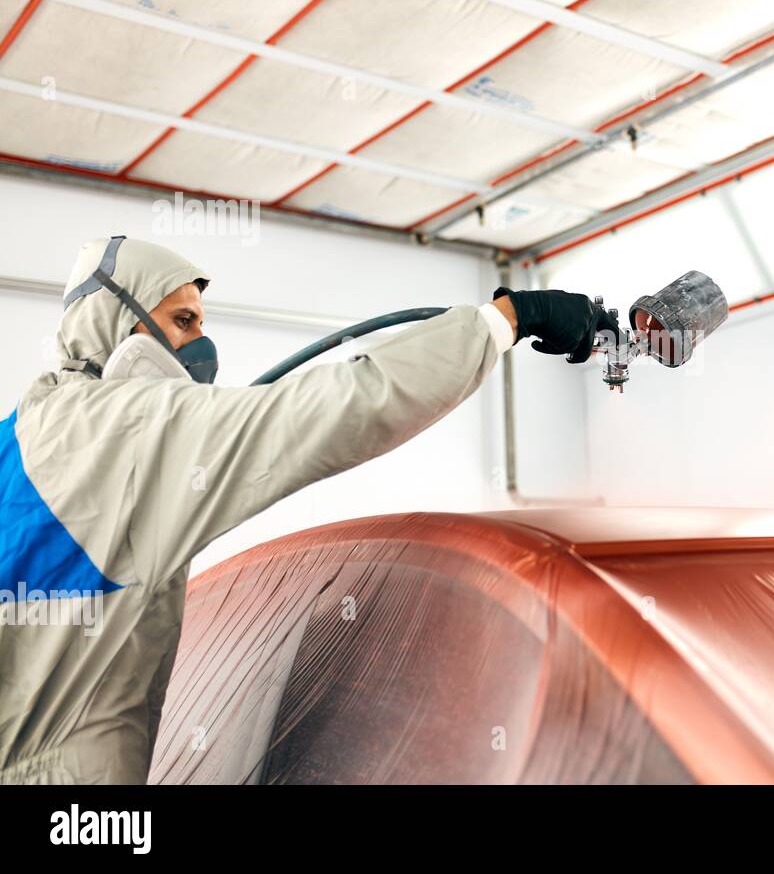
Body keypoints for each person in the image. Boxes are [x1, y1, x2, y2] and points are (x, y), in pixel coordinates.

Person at [0, 234, 615, 784]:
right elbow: (347, 402)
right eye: (182, 321)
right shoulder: (126, 427)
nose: (200, 344)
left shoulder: (24, 433)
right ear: (119, 325)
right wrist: (508, 319)